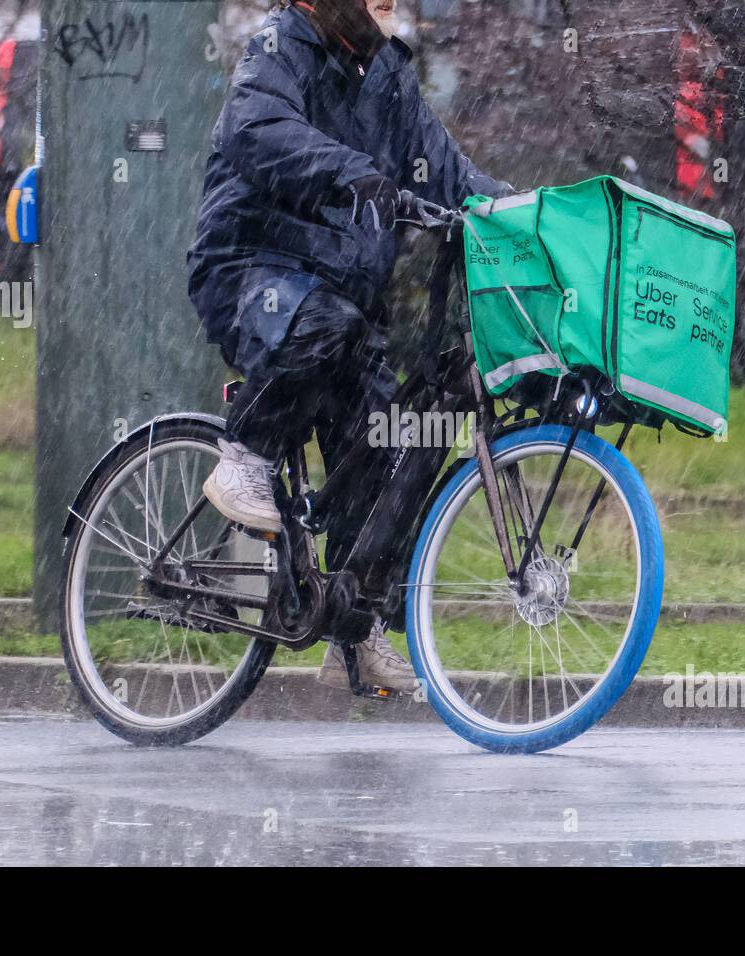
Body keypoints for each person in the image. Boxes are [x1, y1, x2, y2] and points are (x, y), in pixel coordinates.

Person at [187, 0, 512, 692]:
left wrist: (524, 217)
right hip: (250, 267)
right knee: (326, 324)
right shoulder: (283, 42)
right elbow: (257, 129)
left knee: (389, 440)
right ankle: (243, 457)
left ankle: (354, 629)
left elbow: (450, 171)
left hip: (341, 294)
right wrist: (348, 171)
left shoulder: (388, 75)